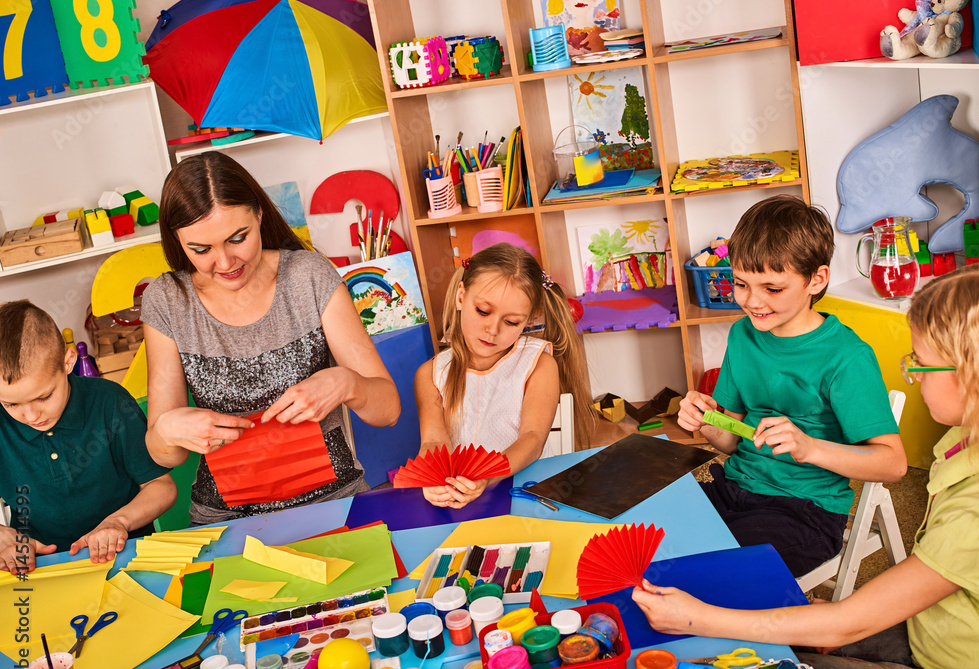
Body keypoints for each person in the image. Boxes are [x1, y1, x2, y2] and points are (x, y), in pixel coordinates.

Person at [633, 261, 979, 669]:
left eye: (921, 363)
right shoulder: (968, 441)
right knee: (771, 638)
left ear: (977, 375)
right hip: (936, 632)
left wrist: (696, 618)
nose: (913, 373)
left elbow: (843, 626)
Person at [143, 152, 399, 524]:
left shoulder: (308, 276)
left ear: (259, 215)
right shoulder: (167, 300)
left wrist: (347, 384)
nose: (226, 262)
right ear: (178, 242)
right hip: (225, 521)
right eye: (201, 250)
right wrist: (167, 430)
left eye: (238, 238)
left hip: (335, 507)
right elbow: (165, 454)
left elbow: (389, 410)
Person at [677, 195, 907, 576]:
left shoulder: (846, 357)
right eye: (740, 284)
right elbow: (730, 441)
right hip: (733, 488)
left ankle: (797, 628)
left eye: (772, 288)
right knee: (643, 534)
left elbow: (895, 464)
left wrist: (809, 446)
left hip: (804, 510)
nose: (752, 302)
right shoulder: (743, 336)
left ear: (816, 279)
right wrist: (705, 421)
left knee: (716, 573)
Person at [0, 301, 176, 572]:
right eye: (11, 405)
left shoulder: (110, 403)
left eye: (44, 396)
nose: (32, 415)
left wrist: (118, 522)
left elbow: (161, 486)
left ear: (68, 362)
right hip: (41, 567)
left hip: (130, 555)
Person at [414, 243, 592, 509]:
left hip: (530, 492)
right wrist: (434, 476)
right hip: (464, 499)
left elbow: (532, 439)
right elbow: (433, 441)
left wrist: (488, 476)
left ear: (528, 320)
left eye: (511, 322)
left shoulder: (538, 365)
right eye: (483, 311)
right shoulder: (430, 374)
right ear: (461, 296)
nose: (492, 330)